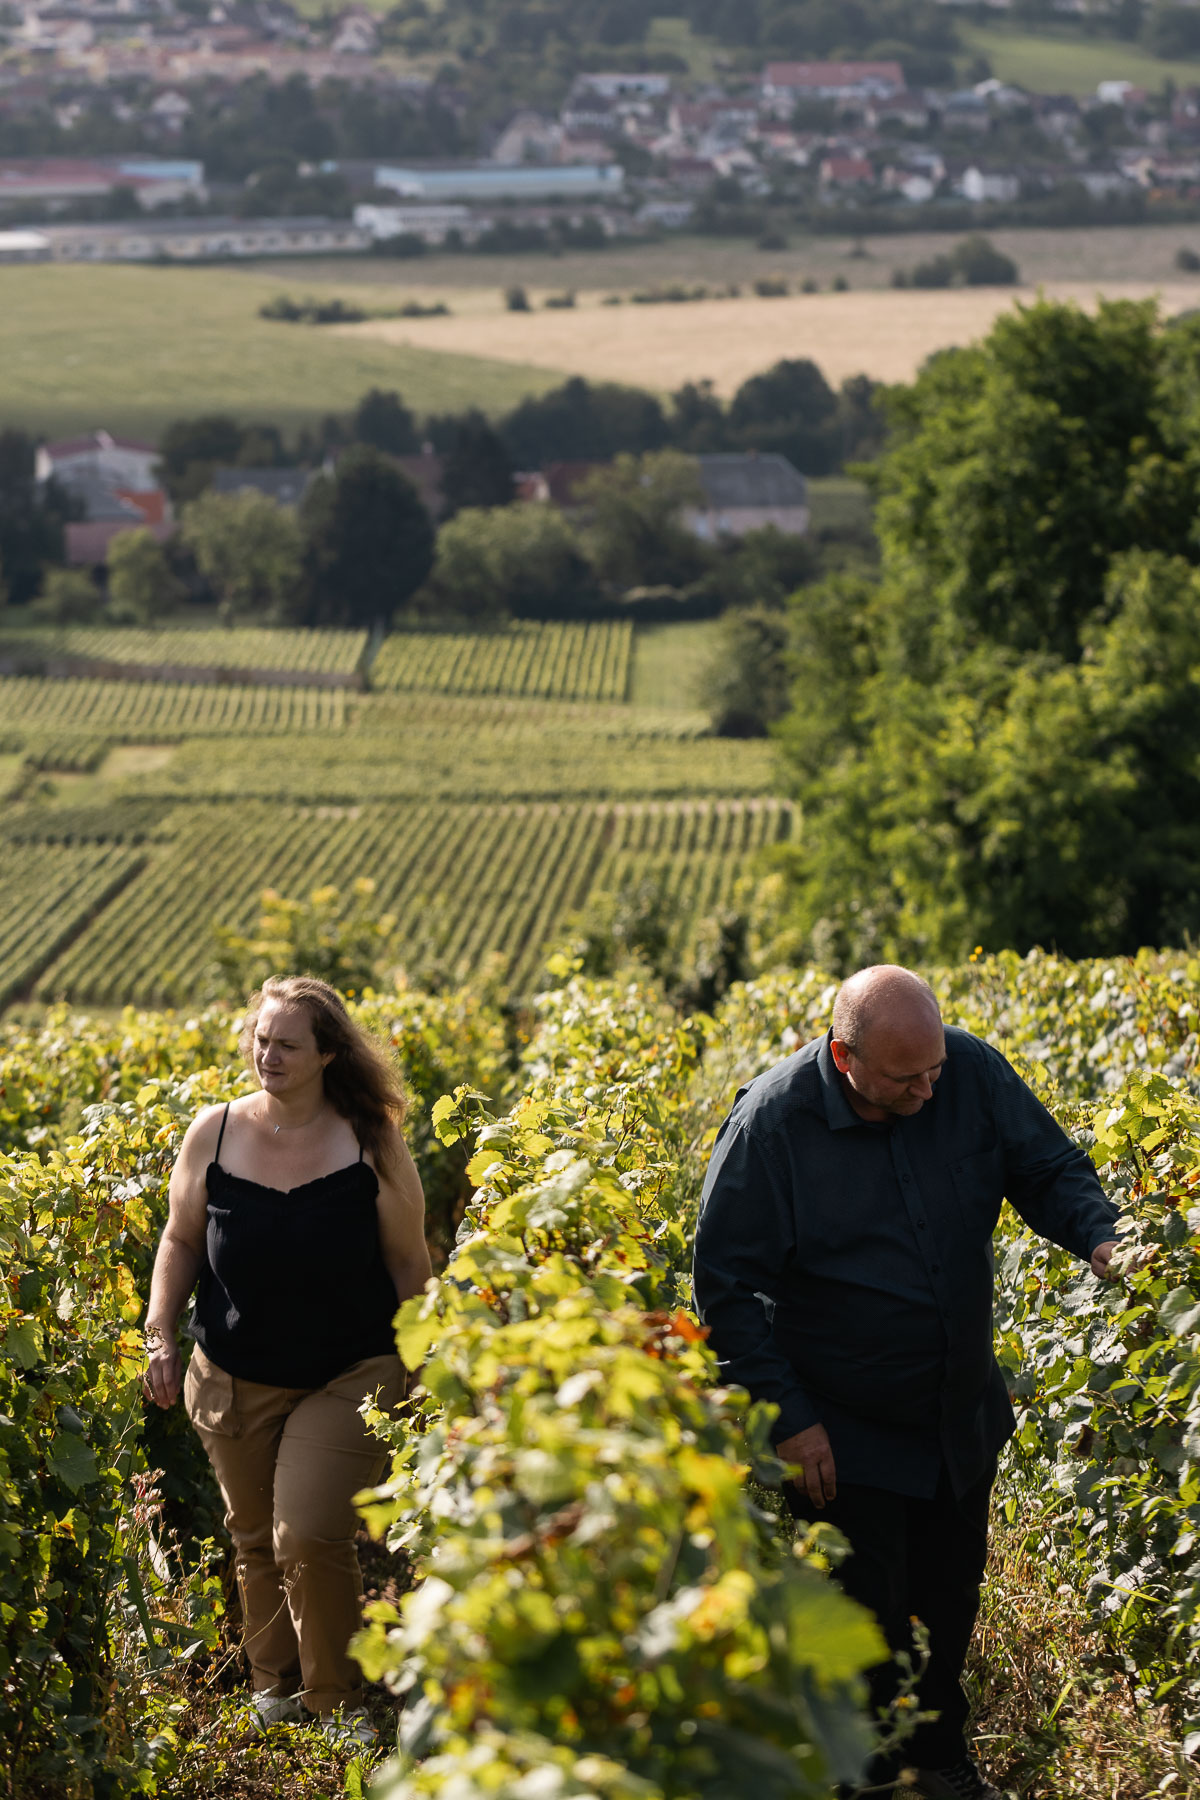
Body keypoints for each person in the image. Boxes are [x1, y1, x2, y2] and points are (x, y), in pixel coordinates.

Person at [692, 965, 1120, 1800]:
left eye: (934, 1071)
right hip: (842, 1432)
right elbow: (726, 1291)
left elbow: (1046, 1168)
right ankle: (868, 1780)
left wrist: (1100, 1235)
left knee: (948, 1597)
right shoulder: (770, 1129)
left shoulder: (969, 1071)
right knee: (869, 1617)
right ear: (843, 1057)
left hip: (956, 1414)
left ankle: (939, 1763)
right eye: (904, 1079)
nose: (927, 1090)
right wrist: (789, 1419)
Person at [142, 975, 433, 1746]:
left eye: (287, 1045)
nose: (267, 1055)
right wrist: (160, 1331)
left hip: (350, 1372)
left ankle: (335, 1704)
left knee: (305, 1532)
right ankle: (272, 1690)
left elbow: (410, 1262)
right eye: (261, 1040)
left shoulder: (370, 1142)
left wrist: (428, 1364)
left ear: (328, 1054)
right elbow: (179, 1239)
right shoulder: (214, 1132)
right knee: (251, 1536)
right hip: (233, 1372)